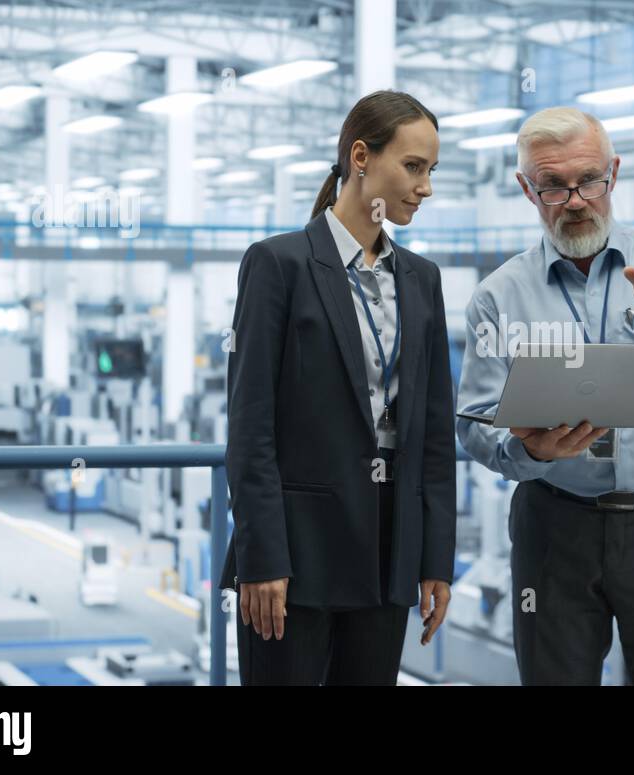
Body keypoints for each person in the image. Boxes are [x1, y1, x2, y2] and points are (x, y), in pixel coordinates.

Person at [455, 106, 634, 685]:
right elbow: (475, 423)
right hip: (553, 522)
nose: (575, 200)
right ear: (526, 188)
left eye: (589, 180)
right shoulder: (499, 296)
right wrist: (531, 452)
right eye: (553, 187)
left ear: (613, 173)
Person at [219, 90, 455, 685]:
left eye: (431, 171)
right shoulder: (279, 265)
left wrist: (435, 560)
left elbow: (432, 436)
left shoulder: (422, 282)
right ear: (360, 156)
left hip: (388, 553)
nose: (425, 187)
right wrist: (262, 556)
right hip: (296, 560)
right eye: (413, 167)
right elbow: (251, 428)